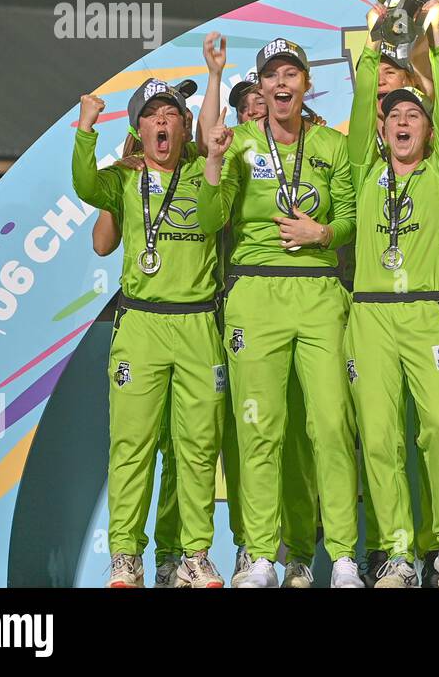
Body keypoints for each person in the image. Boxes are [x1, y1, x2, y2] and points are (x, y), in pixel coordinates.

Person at [198, 38, 362, 589]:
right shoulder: (239, 142)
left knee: (332, 426)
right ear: (261, 89)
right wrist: (215, 161)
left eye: (292, 73)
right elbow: (210, 216)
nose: (282, 83)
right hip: (255, 294)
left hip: (319, 293)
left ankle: (341, 556)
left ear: (306, 84)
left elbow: (352, 219)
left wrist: (324, 232)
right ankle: (261, 556)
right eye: (272, 76)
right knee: (259, 428)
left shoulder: (332, 147)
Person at [73, 79, 225, 588]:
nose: (163, 121)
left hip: (199, 323)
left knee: (198, 446)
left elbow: (214, 212)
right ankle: (124, 557)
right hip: (140, 324)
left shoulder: (205, 176)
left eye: (171, 114)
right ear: (139, 129)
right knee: (132, 444)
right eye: (152, 114)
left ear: (184, 126)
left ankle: (194, 554)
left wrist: (213, 158)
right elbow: (85, 186)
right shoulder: (123, 178)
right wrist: (86, 130)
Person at [346, 3, 439, 588]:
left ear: (427, 129)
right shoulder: (364, 171)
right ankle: (396, 551)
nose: (403, 121)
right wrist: (375, 44)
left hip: (428, 314)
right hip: (370, 317)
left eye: (413, 116)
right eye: (393, 114)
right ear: (380, 127)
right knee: (378, 436)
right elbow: (365, 93)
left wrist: (436, 41)